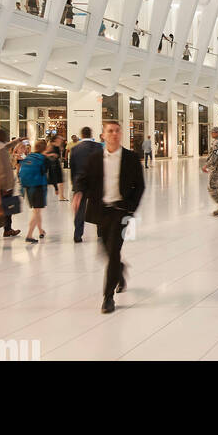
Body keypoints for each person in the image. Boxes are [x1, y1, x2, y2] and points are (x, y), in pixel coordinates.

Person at [69, 120, 144, 314]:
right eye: (110, 131)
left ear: (121, 134)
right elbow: (82, 179)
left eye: (117, 131)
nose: (114, 134)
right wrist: (78, 192)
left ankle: (108, 297)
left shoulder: (131, 158)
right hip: (100, 211)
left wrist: (131, 208)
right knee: (105, 250)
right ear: (103, 135)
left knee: (113, 250)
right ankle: (119, 271)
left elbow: (140, 186)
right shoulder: (94, 159)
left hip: (120, 212)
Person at [69, 126, 100, 242]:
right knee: (97, 207)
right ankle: (100, 232)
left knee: (80, 209)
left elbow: (72, 167)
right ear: (91, 134)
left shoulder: (75, 149)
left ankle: (77, 235)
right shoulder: (98, 147)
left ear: (81, 135)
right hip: (95, 182)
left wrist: (74, 184)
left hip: (80, 182)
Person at [18, 141, 49, 242]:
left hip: (28, 187)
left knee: (37, 210)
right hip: (38, 186)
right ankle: (29, 235)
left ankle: (40, 231)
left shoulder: (29, 157)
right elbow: (45, 171)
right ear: (45, 148)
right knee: (36, 211)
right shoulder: (43, 158)